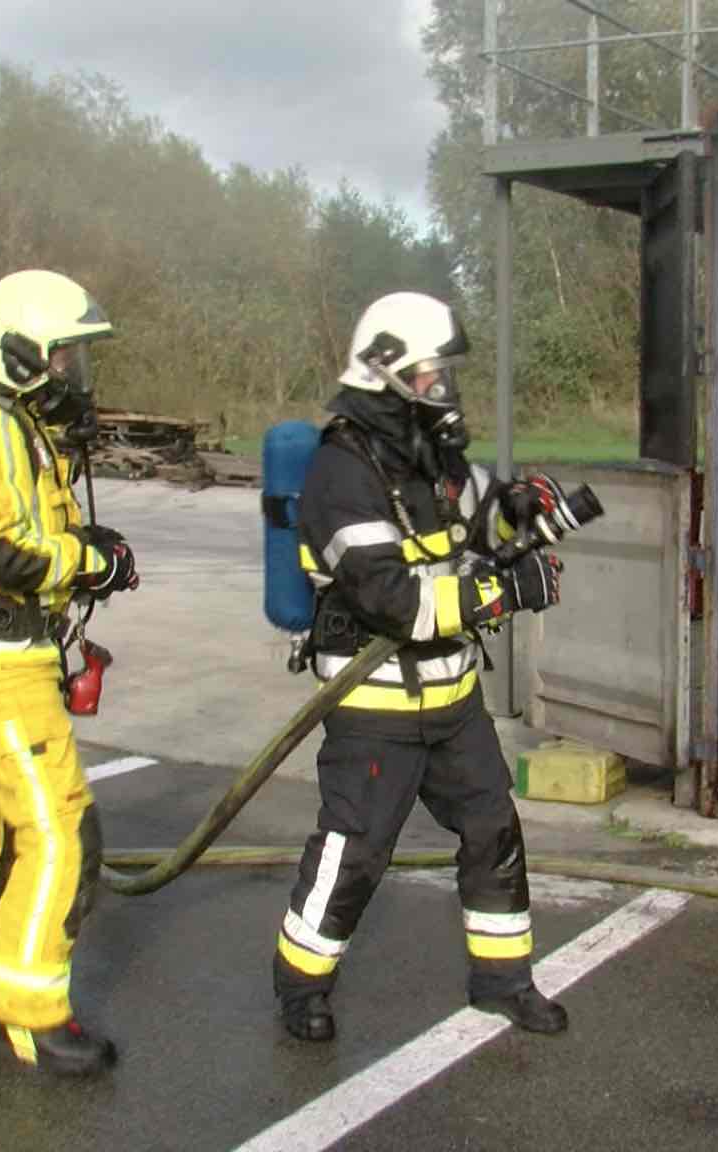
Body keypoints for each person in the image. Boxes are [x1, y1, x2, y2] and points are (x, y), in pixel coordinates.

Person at [270, 290, 572, 1043]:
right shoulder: (341, 474)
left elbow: (473, 520)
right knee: (358, 852)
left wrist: (520, 505)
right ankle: (301, 985)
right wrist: (505, 591)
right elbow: (394, 602)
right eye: (433, 374)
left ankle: (504, 979)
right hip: (374, 704)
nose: (445, 388)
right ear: (388, 374)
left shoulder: (430, 458)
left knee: (492, 827)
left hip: (452, 696)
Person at [0, 269, 137, 1077]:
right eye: (66, 357)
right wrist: (94, 559)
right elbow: (4, 551)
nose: (74, 376)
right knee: (60, 835)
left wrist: (85, 555)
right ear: (21, 352)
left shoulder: (3, 421)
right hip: (2, 659)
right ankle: (34, 1012)